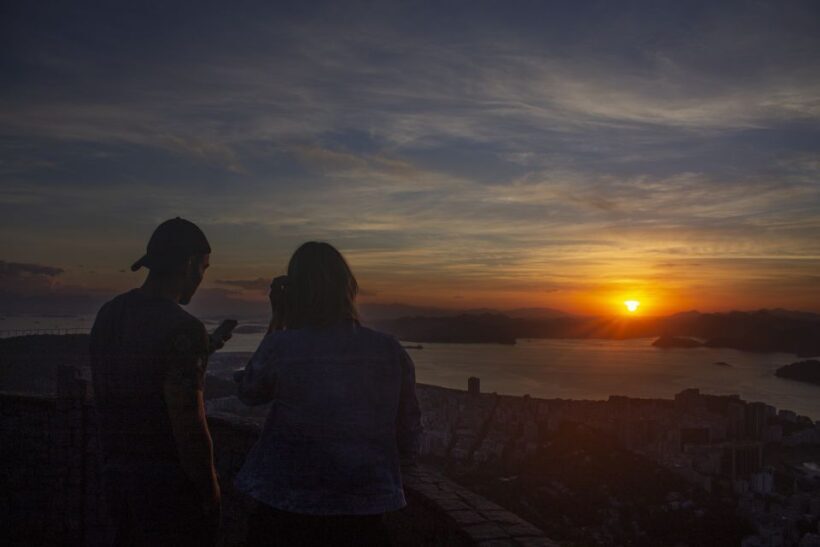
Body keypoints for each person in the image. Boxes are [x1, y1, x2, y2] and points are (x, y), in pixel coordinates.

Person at [234, 241, 422, 547]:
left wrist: (279, 320)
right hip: (364, 511)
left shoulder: (282, 346)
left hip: (284, 507)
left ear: (296, 292)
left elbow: (250, 392)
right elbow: (409, 434)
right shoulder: (389, 350)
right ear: (349, 287)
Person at [89, 217, 227, 546]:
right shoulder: (183, 328)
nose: (201, 278)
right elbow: (189, 421)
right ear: (190, 263)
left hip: (115, 476)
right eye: (204, 268)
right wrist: (210, 490)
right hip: (166, 490)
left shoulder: (109, 313)